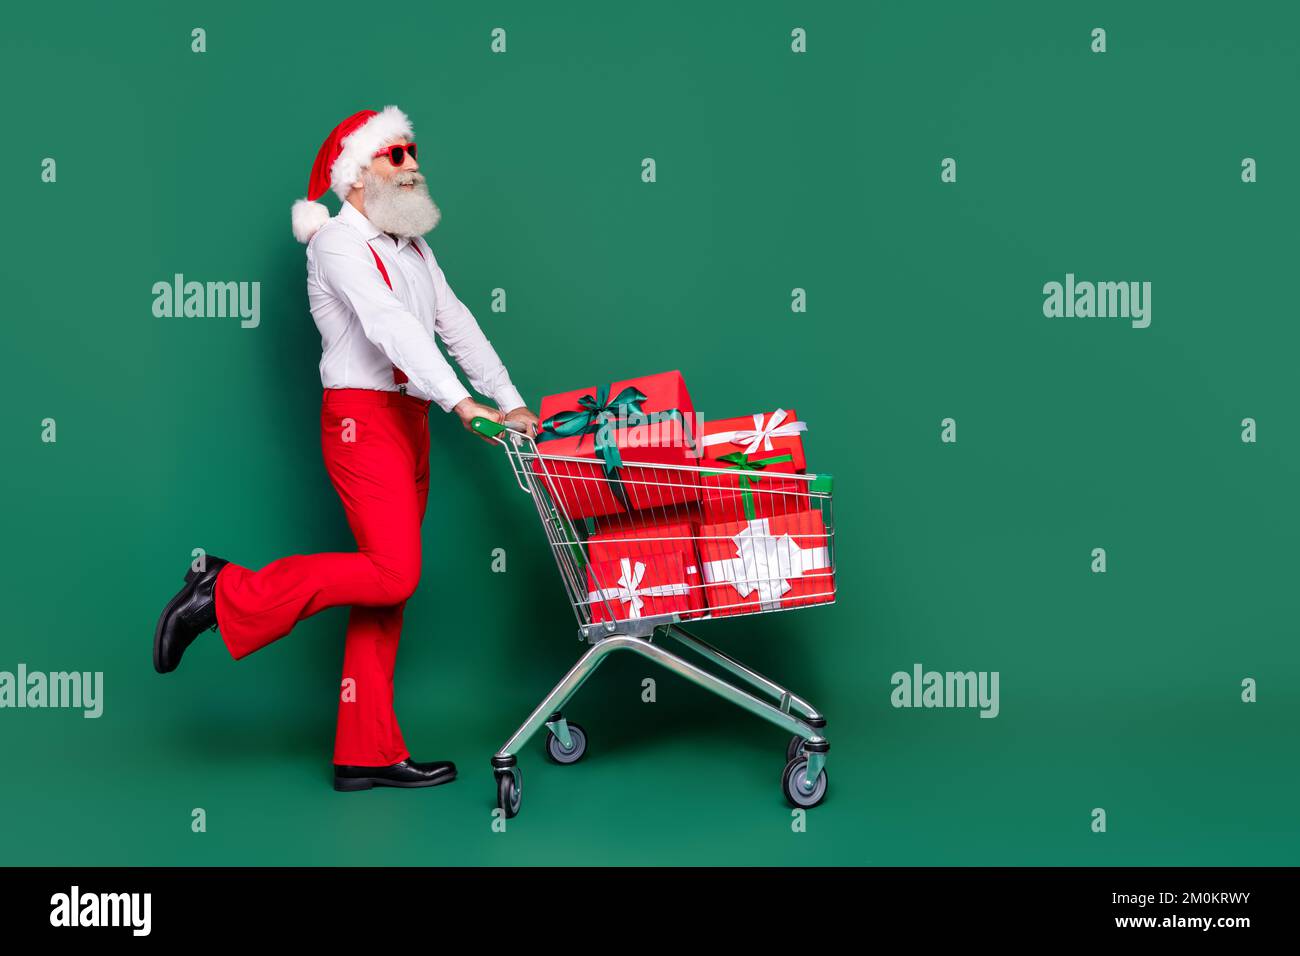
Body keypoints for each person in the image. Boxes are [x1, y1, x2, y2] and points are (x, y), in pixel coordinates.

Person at [153, 106, 539, 792]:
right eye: (396, 155)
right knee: (394, 573)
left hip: (410, 417)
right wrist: (461, 402)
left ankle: (365, 750)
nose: (413, 164)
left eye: (413, 151)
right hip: (361, 420)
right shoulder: (336, 243)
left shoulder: (413, 247)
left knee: (382, 588)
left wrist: (505, 397)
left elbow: (456, 321)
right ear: (357, 174)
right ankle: (225, 591)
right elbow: (389, 327)